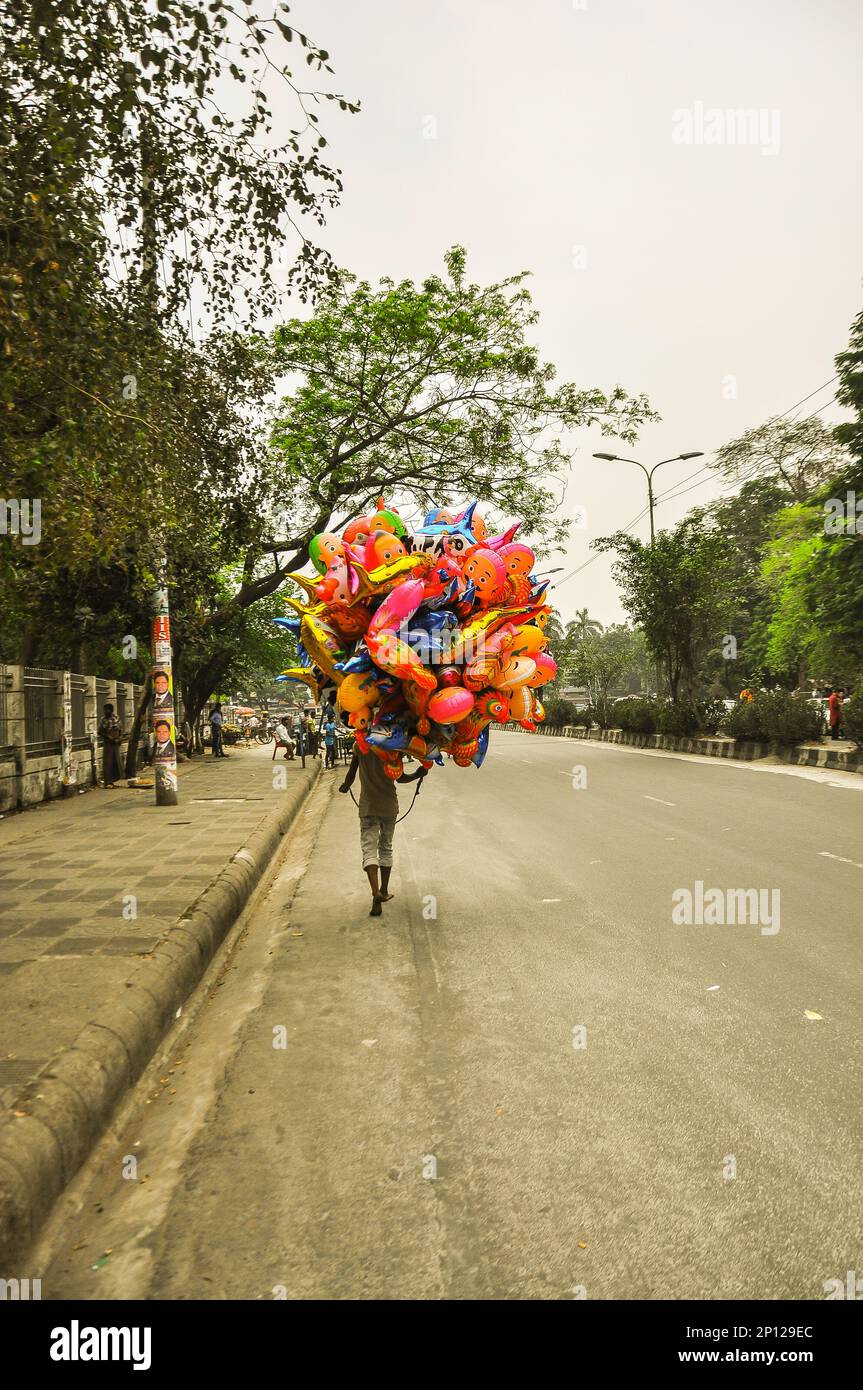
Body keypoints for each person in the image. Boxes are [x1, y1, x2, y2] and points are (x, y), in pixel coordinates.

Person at [339, 746, 426, 916]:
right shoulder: (393, 748)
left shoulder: (359, 747)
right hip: (389, 807)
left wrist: (345, 786)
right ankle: (384, 891)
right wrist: (418, 774)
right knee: (385, 847)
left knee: (369, 850)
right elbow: (400, 778)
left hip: (368, 807)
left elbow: (351, 774)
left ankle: (375, 893)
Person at [98, 702, 123, 787]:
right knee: (108, 762)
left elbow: (120, 730)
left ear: (111, 710)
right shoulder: (103, 719)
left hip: (115, 742)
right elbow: (100, 731)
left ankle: (114, 780)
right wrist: (108, 736)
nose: (105, 711)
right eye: (104, 710)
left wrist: (119, 738)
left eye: (106, 710)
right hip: (108, 743)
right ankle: (108, 781)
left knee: (116, 761)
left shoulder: (116, 718)